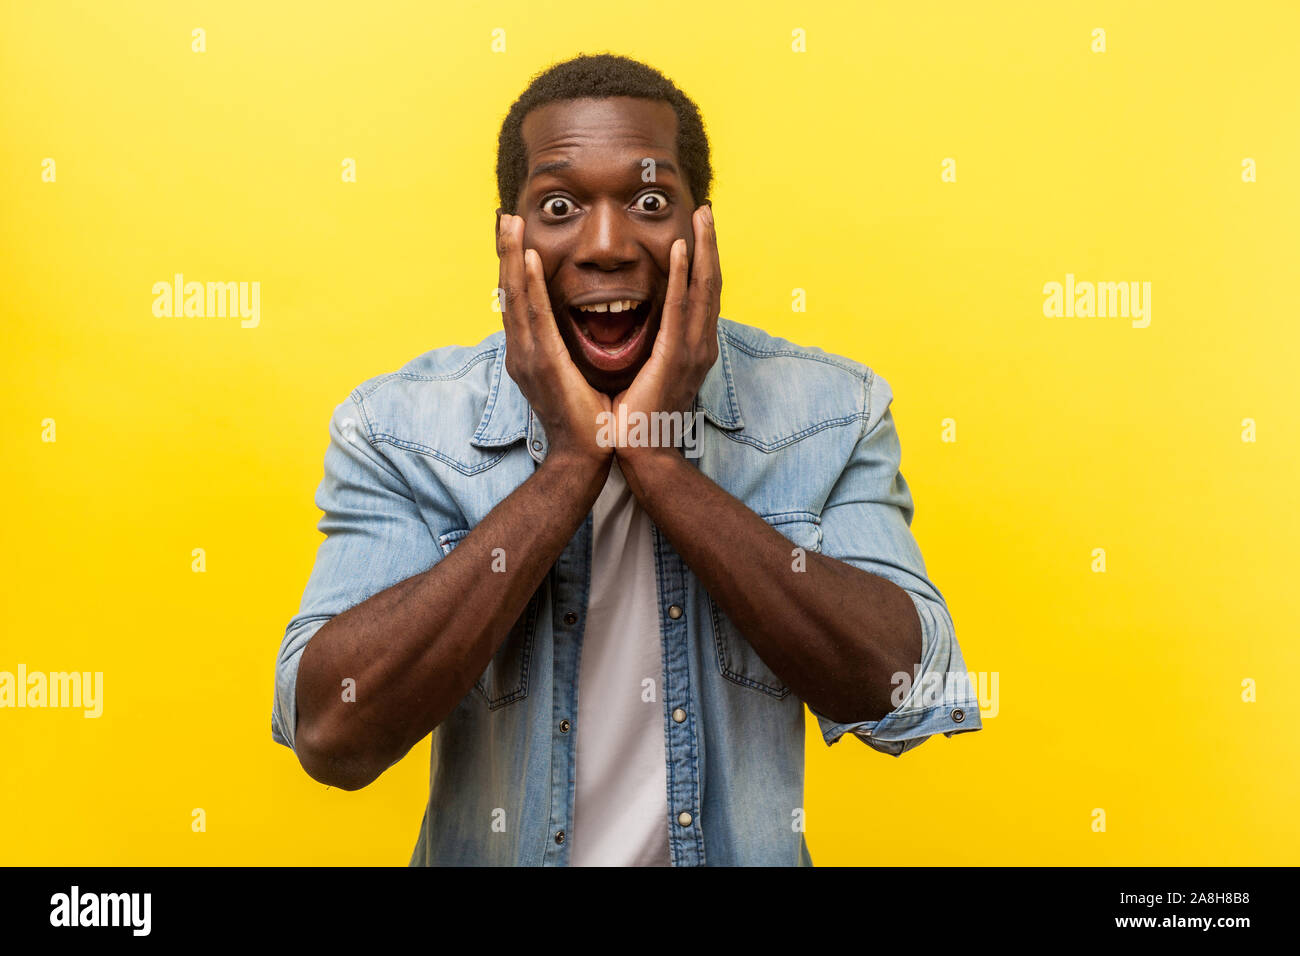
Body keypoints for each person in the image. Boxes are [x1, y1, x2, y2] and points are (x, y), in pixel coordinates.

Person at [271, 53, 982, 866]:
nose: (606, 245)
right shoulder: (398, 428)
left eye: (649, 201)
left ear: (701, 230)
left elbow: (908, 691)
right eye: (560, 204)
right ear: (510, 242)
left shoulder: (831, 413)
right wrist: (571, 467)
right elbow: (332, 734)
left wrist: (661, 463)